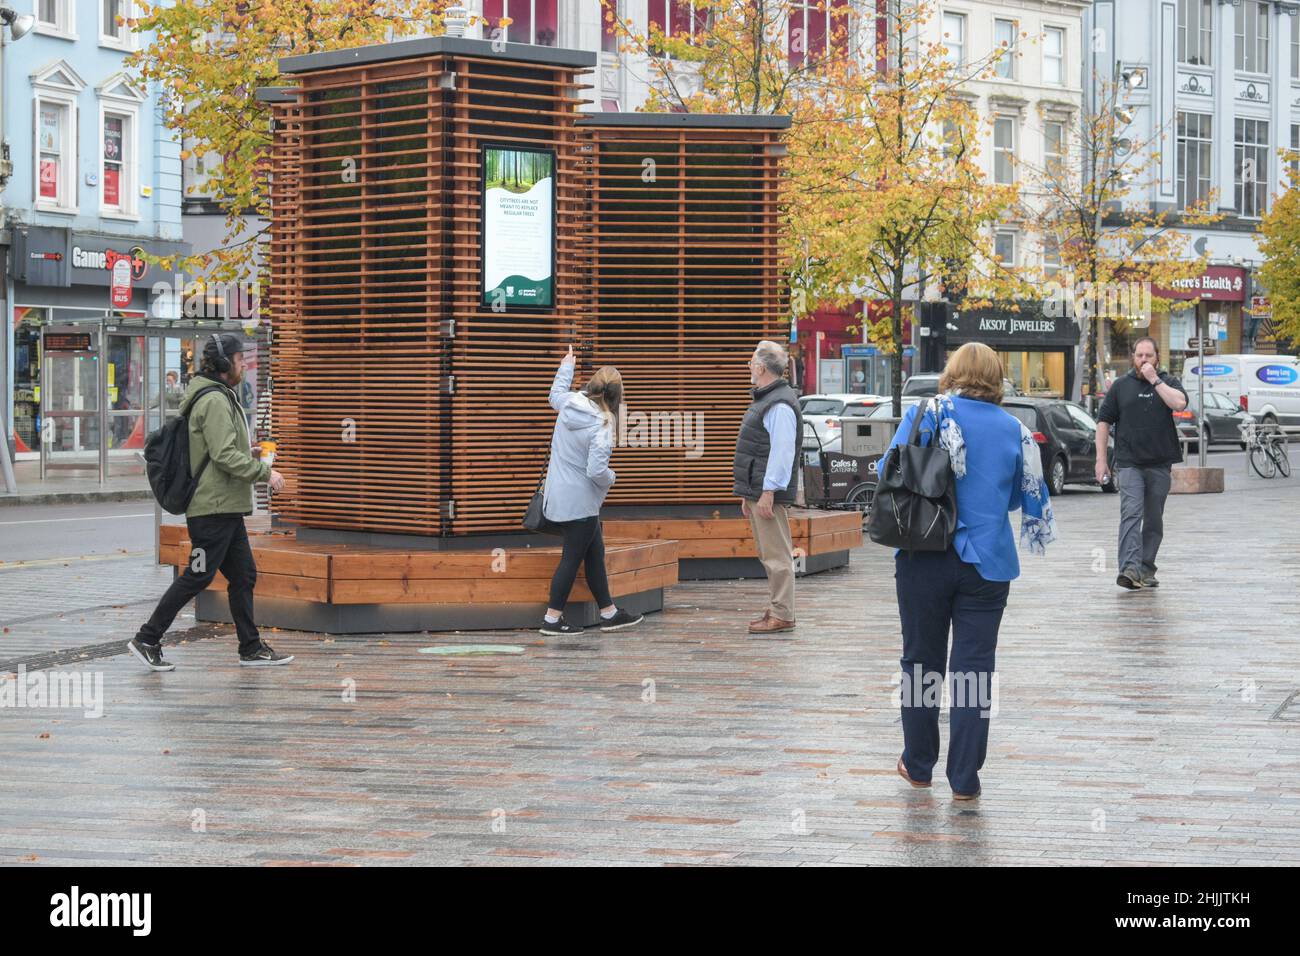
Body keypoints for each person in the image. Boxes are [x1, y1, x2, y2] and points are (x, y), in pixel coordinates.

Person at [883, 342, 1057, 800]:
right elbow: (1024, 497)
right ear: (997, 376)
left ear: (953, 371)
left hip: (925, 555)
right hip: (989, 564)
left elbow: (889, 470)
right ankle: (964, 779)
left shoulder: (929, 413)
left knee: (921, 662)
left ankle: (919, 765)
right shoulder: (1015, 430)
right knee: (973, 672)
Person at [127, 333, 289, 671]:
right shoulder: (213, 400)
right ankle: (147, 638)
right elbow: (224, 456)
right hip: (212, 510)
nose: (244, 364)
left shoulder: (217, 395)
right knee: (197, 576)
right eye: (239, 359)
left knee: (243, 576)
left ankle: (250, 647)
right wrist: (264, 473)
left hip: (225, 508)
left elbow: (218, 452)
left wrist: (251, 452)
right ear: (223, 363)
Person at [539, 345, 643, 636]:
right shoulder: (602, 424)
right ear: (616, 396)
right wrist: (612, 477)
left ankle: (608, 612)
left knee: (595, 553)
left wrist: (567, 365)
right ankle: (551, 619)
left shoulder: (570, 403)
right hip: (581, 503)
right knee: (572, 559)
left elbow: (554, 395)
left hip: (560, 495)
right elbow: (596, 471)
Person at [1094, 336, 1188, 590]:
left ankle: (1146, 568)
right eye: (1139, 356)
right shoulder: (1121, 387)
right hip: (1129, 462)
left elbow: (1179, 403)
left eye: (1148, 355)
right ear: (1133, 357)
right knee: (1131, 513)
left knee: (1154, 518)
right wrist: (1101, 460)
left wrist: (1154, 380)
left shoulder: (1167, 382)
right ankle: (1129, 568)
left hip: (1159, 462)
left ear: (1157, 358)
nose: (1143, 360)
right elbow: (1103, 422)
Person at [734, 340, 801, 634]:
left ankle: (783, 613)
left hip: (767, 492)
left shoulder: (778, 403)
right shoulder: (770, 398)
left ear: (761, 367)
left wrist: (768, 491)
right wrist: (751, 494)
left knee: (777, 554)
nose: (749, 367)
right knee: (770, 553)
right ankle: (777, 608)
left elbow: (782, 452)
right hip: (759, 490)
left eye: (751, 363)